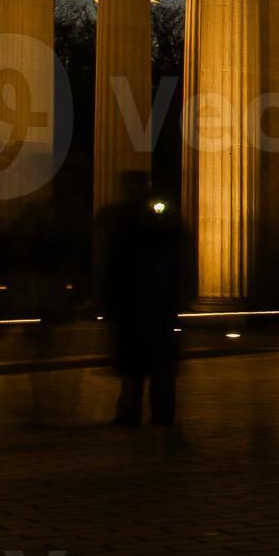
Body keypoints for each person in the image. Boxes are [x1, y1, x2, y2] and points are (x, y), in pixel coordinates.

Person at [98, 172, 187, 427]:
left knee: (136, 364)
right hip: (153, 303)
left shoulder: (128, 222)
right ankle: (158, 414)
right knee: (154, 364)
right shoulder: (160, 222)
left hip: (138, 303)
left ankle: (132, 413)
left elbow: (114, 264)